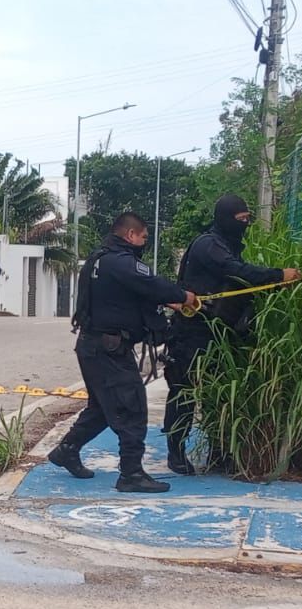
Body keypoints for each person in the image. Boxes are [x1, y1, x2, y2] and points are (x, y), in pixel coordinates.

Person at [48, 213, 198, 493]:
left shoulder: (98, 259)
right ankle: (131, 474)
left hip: (92, 345)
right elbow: (151, 284)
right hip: (109, 348)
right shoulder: (122, 262)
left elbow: (125, 295)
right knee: (132, 407)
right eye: (142, 237)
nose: (143, 243)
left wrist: (168, 303)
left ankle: (67, 449)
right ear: (130, 235)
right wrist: (183, 296)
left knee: (103, 407)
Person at [162, 194, 299, 474]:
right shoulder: (209, 245)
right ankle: (176, 453)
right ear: (226, 218)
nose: (246, 224)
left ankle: (219, 453)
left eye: (248, 219)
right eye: (241, 220)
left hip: (220, 333)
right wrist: (278, 275)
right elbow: (238, 271)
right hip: (193, 331)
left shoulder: (227, 245)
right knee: (184, 394)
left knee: (217, 397)